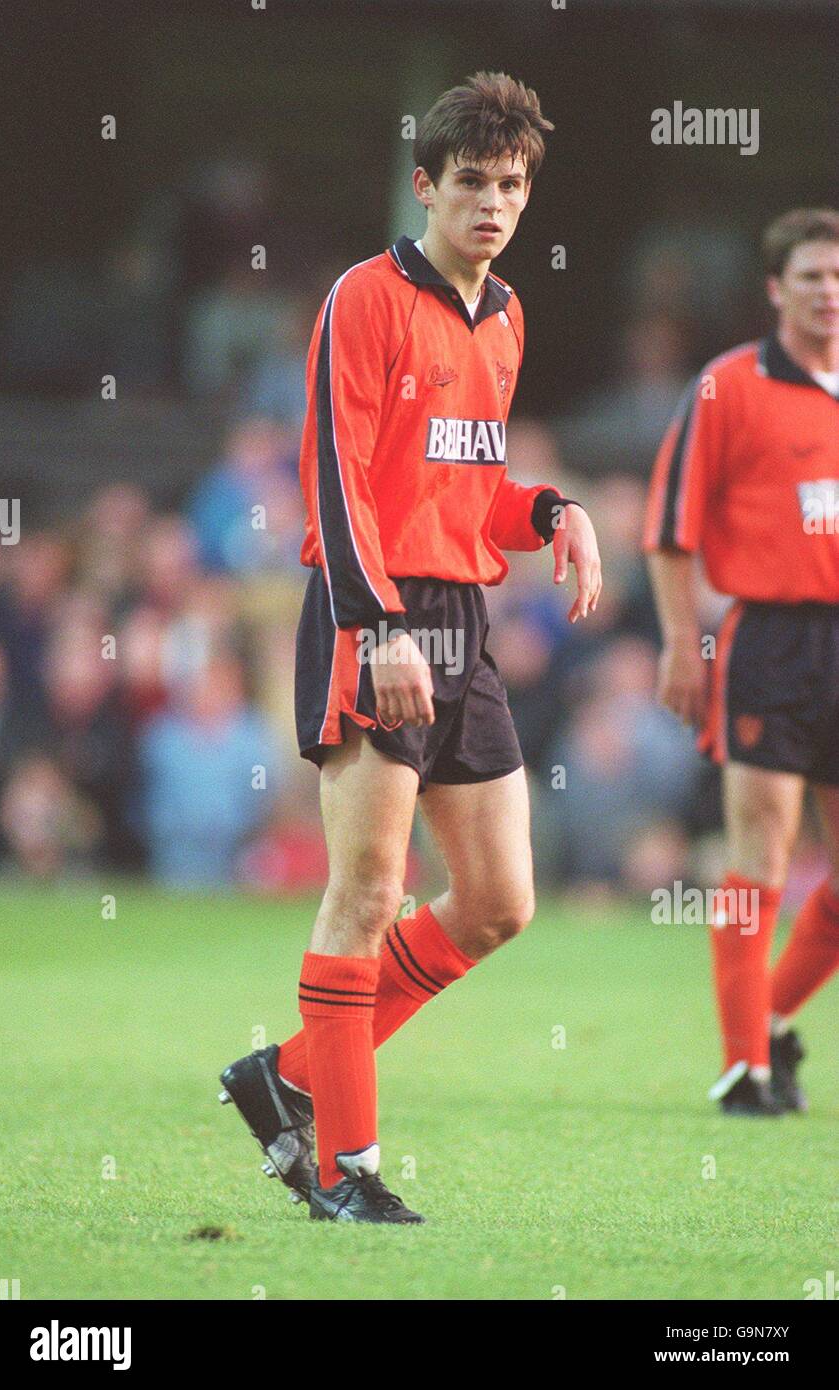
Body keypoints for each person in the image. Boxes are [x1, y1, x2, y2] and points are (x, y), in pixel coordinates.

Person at [219, 71, 602, 1222]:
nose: (492, 204)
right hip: (368, 615)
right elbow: (335, 477)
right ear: (425, 185)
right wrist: (373, 620)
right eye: (472, 183)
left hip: (461, 624)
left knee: (496, 900)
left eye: (512, 185)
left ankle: (285, 1074)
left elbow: (469, 492)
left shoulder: (507, 316)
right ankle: (343, 1166)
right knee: (370, 887)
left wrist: (545, 512)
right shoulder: (365, 297)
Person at [644, 208, 839, 1116]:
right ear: (775, 289)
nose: (827, 292)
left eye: (837, 277)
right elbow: (668, 529)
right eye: (809, 277)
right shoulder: (729, 386)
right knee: (759, 848)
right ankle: (741, 1072)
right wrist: (685, 641)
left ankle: (760, 1025)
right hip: (771, 639)